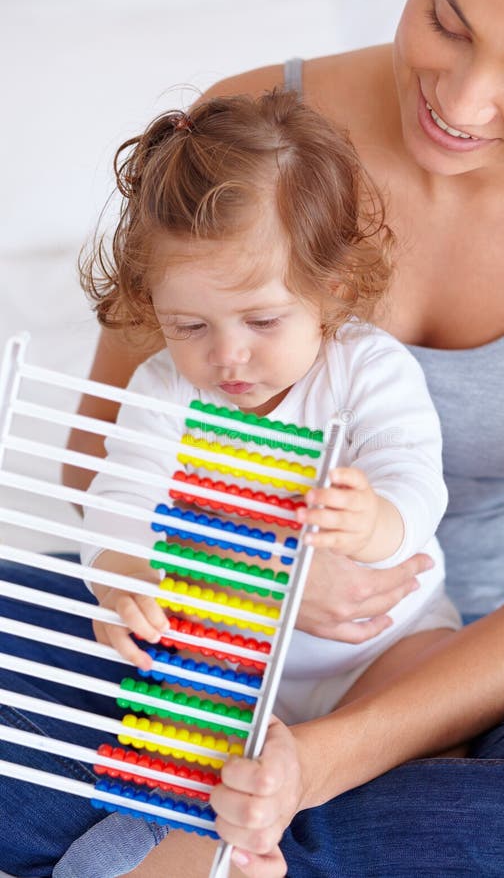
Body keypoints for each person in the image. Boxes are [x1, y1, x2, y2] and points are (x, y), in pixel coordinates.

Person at [1, 0, 504, 875]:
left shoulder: (372, 368)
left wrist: (314, 764)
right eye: (445, 19)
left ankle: (170, 834)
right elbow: (105, 467)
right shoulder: (233, 144)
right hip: (195, 624)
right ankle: (249, 828)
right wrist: (239, 577)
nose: (463, 100)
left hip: (447, 652)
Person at [78, 89, 460, 726]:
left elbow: (416, 475)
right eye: (189, 326)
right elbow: (121, 499)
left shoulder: (368, 368)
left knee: (434, 703)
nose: (228, 356)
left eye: (261, 321)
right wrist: (121, 578)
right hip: (236, 658)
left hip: (385, 641)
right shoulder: (163, 388)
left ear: (329, 289)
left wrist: (376, 523)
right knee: (185, 743)